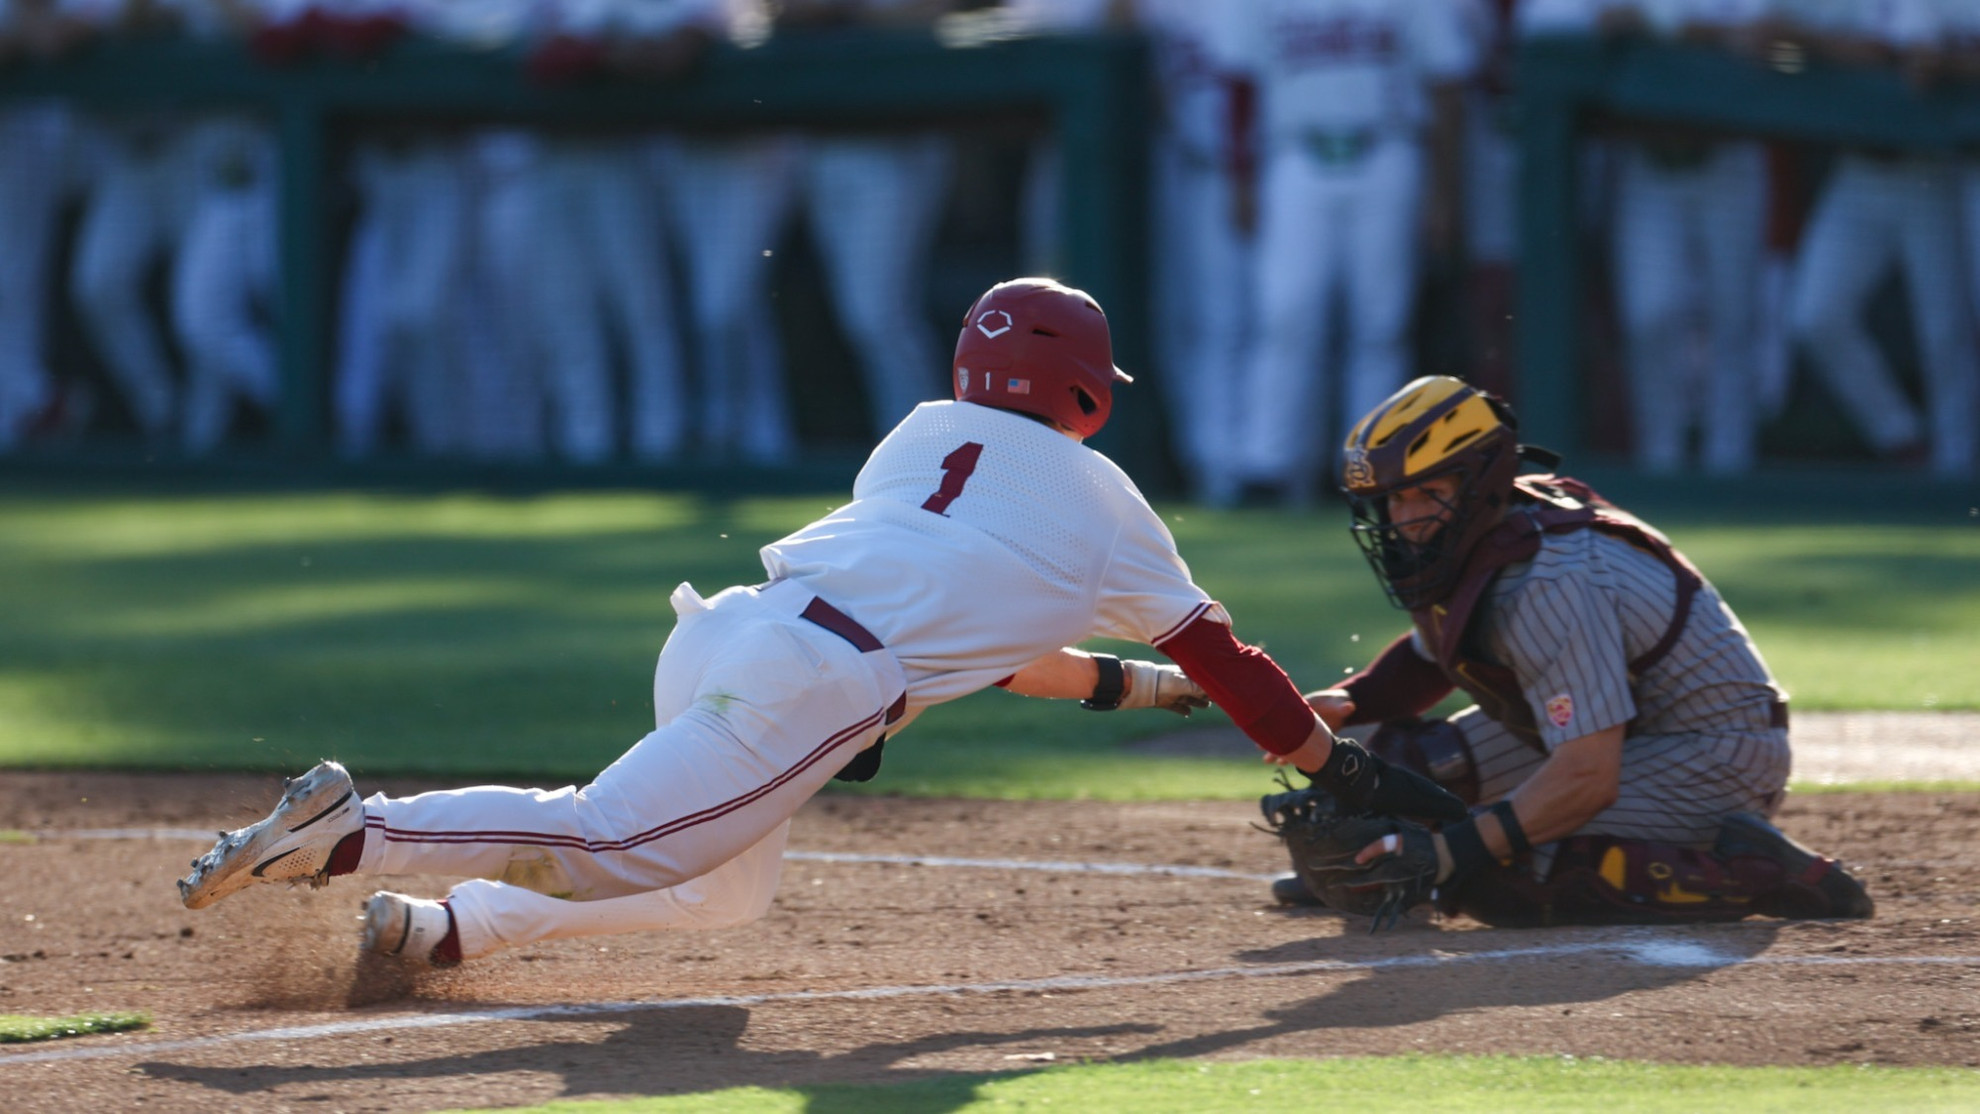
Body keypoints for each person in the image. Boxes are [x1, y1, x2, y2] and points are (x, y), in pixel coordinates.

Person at [177, 278, 1463, 966]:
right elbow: (1228, 658)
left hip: (732, 633)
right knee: (608, 837)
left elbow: (1004, 648)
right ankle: (359, 834)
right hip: (814, 684)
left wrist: (1155, 696)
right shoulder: (1108, 501)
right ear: (1084, 388)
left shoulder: (919, 438)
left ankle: (458, 923)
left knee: (717, 899)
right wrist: (1327, 758)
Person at [1269, 375, 1873, 927]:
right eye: (1394, 501)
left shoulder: (1548, 580)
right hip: (1624, 719)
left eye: (1426, 492)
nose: (1404, 518)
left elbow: (1587, 774)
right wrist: (1353, 699)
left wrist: (1450, 854)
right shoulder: (1480, 535)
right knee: (1399, 762)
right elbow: (1434, 656)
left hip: (1713, 749)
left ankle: (1766, 874)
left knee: (1505, 874)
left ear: (1479, 482)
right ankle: (1364, 869)